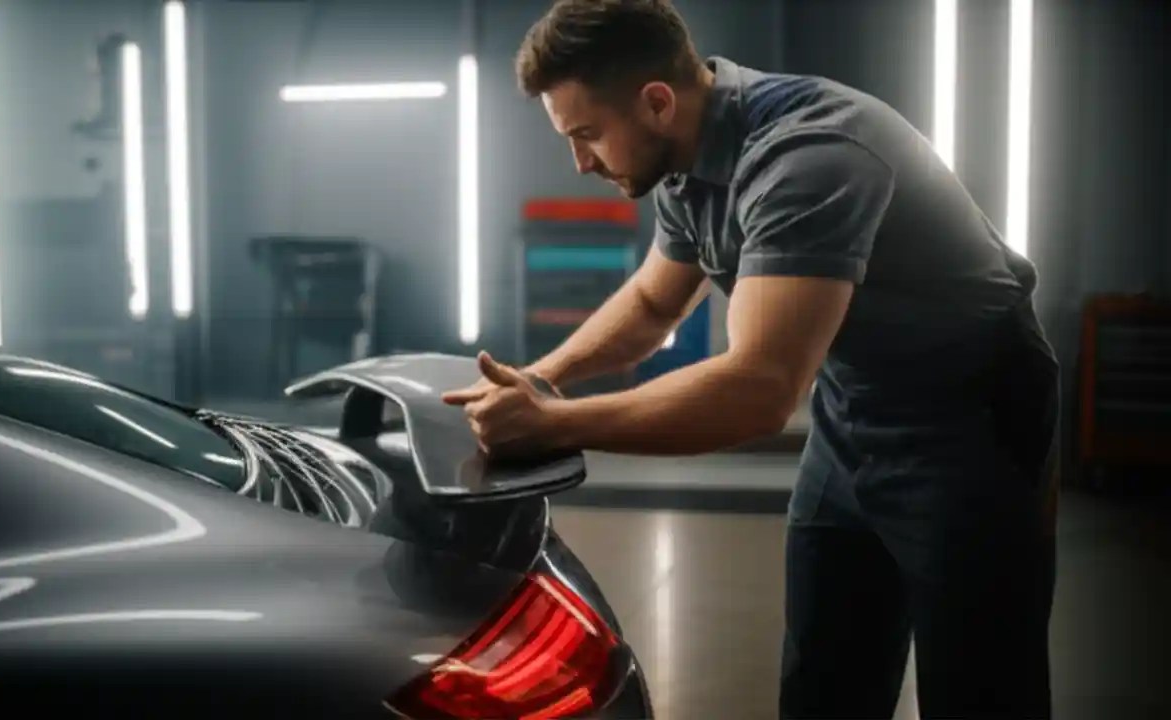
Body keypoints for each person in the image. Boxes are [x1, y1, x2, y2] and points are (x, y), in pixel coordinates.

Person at [441, 1, 1060, 718]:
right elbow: (651, 303)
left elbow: (759, 389)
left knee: (982, 685)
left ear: (656, 102)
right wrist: (541, 379)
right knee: (826, 676)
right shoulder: (682, 158)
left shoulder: (809, 157)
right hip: (853, 410)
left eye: (587, 134)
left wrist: (553, 425)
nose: (580, 162)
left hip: (971, 419)